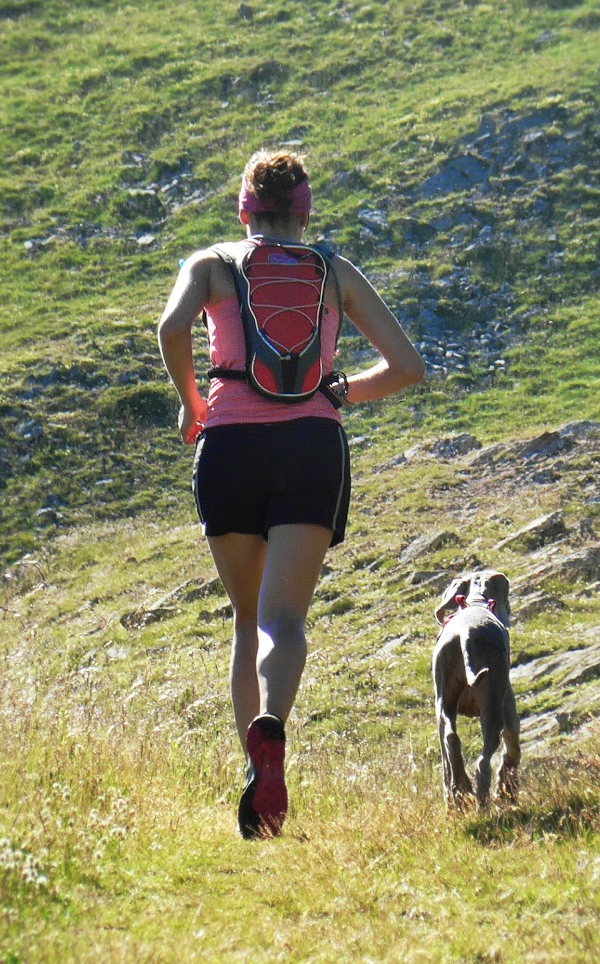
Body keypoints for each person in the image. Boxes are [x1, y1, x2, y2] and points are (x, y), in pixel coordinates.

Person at [157, 148, 425, 838]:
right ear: (304, 213)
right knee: (286, 620)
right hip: (311, 445)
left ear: (244, 209)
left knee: (246, 621)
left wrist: (193, 403)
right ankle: (276, 723)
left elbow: (171, 328)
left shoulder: (212, 263)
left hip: (230, 446)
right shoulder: (335, 272)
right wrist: (341, 391)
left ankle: (255, 770)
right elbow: (407, 367)